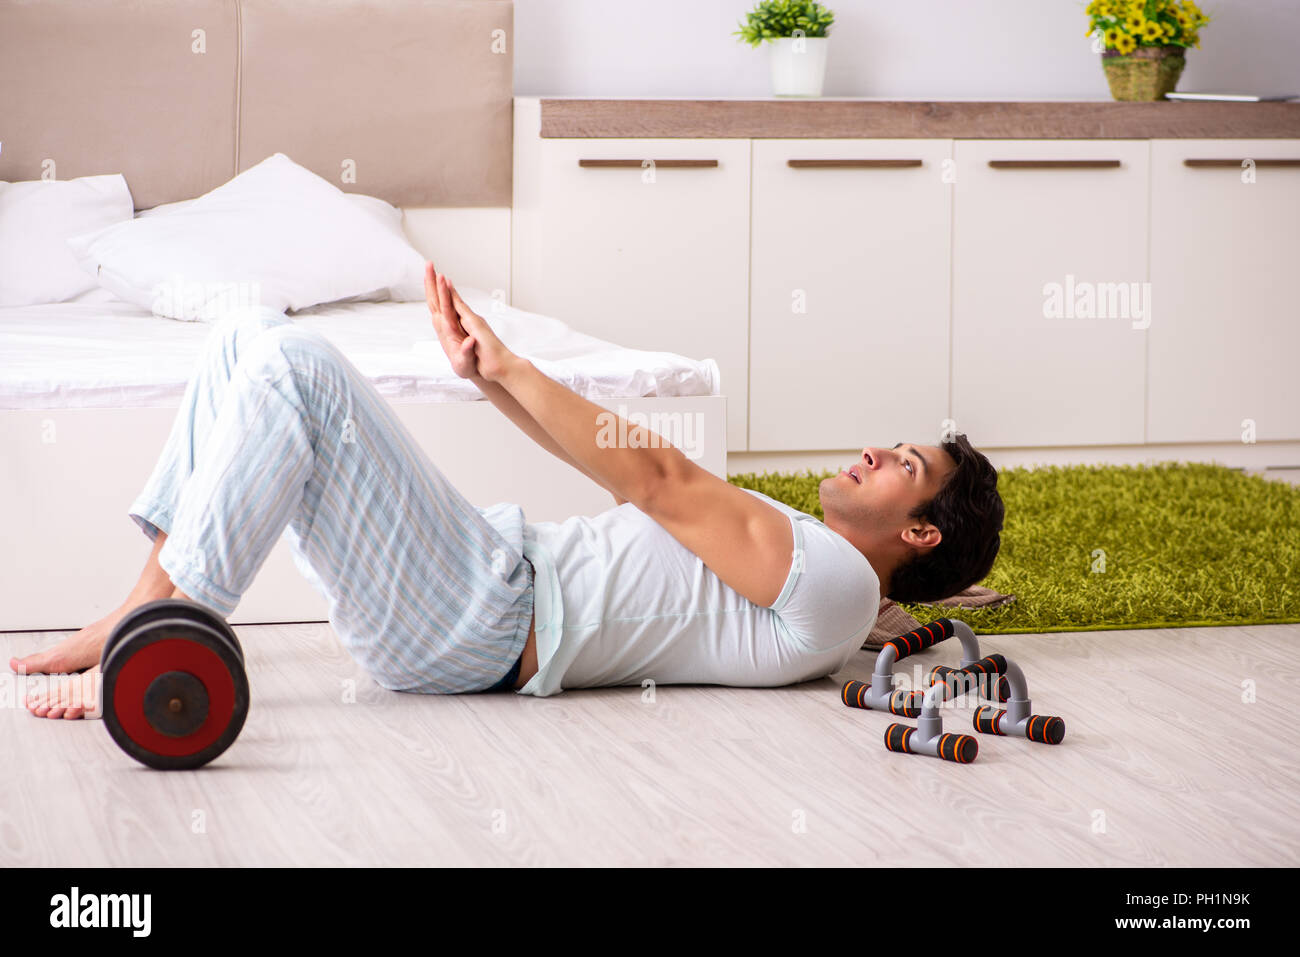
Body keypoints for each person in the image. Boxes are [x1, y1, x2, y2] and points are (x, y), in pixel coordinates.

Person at [16, 263, 1004, 717]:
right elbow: (617, 472)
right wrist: (488, 374)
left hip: (484, 615)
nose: (875, 452)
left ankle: (161, 639)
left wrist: (516, 360)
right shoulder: (831, 586)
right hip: (476, 581)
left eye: (904, 467)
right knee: (249, 337)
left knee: (296, 367)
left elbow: (658, 478)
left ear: (918, 534)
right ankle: (143, 610)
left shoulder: (831, 581)